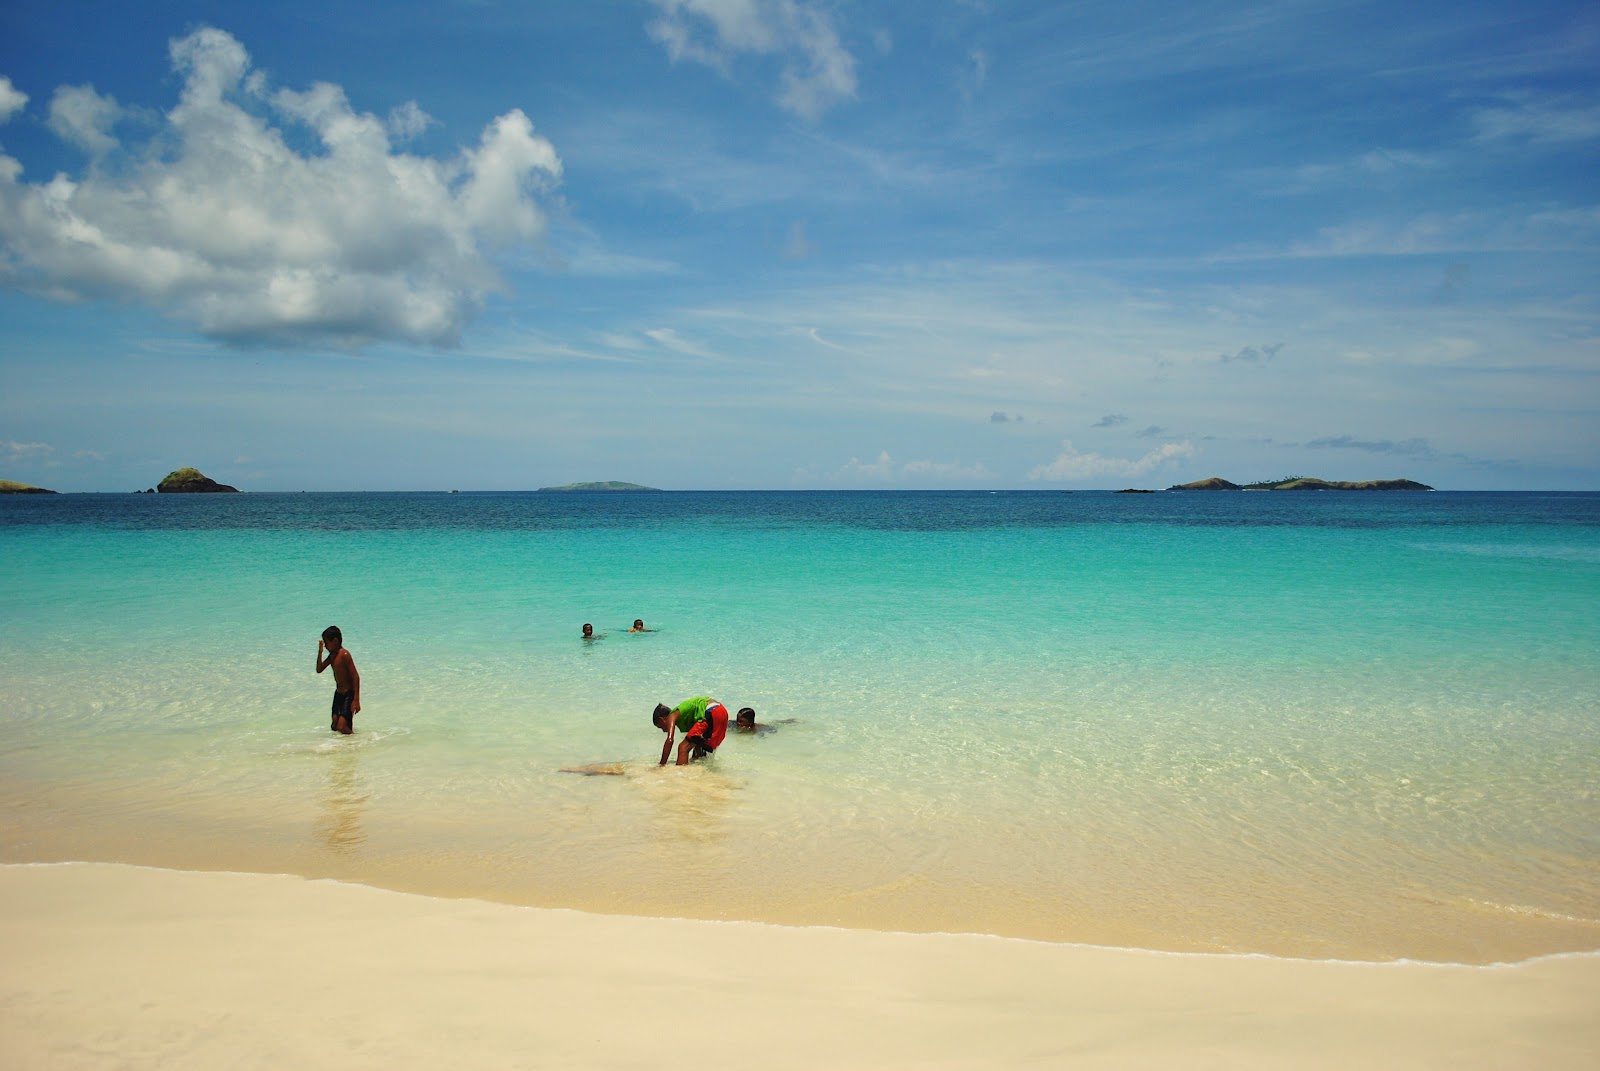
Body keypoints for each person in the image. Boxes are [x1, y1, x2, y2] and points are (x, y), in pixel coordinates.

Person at [653, 696, 730, 765]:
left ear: (662, 719)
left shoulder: (671, 715)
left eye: (660, 727)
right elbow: (695, 740)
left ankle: (681, 776)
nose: (663, 730)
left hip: (711, 712)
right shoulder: (686, 716)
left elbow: (670, 740)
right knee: (700, 751)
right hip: (722, 712)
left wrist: (661, 764)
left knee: (683, 747)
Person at [315, 626, 360, 735]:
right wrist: (320, 652)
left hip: (348, 695)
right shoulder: (332, 656)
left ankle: (356, 741)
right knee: (334, 725)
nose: (325, 646)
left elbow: (356, 677)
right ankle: (345, 746)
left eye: (326, 643)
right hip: (338, 694)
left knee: (341, 726)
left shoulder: (344, 655)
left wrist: (356, 700)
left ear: (335, 641)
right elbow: (319, 669)